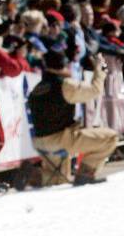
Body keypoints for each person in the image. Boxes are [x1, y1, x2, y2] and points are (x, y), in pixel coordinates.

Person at [27, 47, 118, 185]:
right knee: (111, 137)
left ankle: (31, 176)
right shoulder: (64, 85)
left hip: (40, 142)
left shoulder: (36, 89)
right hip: (61, 139)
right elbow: (94, 91)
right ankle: (85, 174)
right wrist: (99, 71)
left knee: (59, 179)